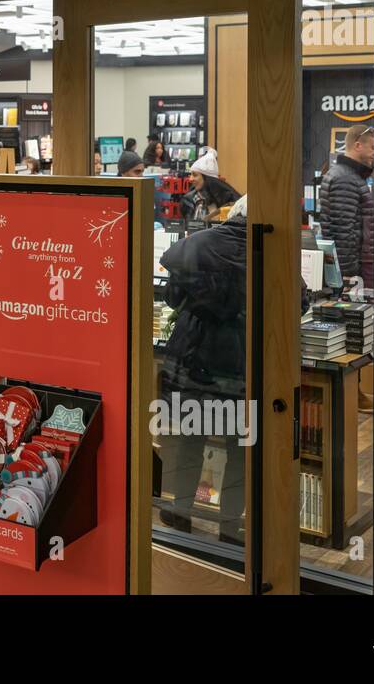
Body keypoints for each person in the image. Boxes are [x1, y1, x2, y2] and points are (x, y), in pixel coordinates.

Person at [156, 194, 250, 542]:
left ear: (234, 214)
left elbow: (172, 297)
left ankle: (179, 514)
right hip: (241, 358)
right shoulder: (267, 248)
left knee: (190, 439)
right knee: (240, 446)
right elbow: (296, 301)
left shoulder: (196, 244)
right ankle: (230, 528)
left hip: (194, 354)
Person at [318, 124, 374, 290]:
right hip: (354, 271)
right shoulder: (346, 179)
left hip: (354, 266)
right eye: (372, 147)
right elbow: (342, 231)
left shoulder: (349, 176)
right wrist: (350, 276)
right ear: (358, 145)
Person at [186, 148, 240, 221]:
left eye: (194, 175)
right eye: (190, 175)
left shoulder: (232, 203)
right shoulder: (192, 199)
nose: (190, 179)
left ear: (207, 179)